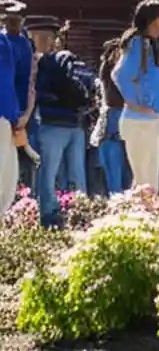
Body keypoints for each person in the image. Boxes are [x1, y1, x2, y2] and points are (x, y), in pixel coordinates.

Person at [30, 17, 91, 225]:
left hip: (51, 125)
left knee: (48, 172)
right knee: (77, 172)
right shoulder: (73, 62)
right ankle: (79, 212)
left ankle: (49, 215)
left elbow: (35, 93)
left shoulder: (41, 64)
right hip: (76, 124)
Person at [112, 0, 159, 191]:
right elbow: (119, 75)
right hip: (139, 120)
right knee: (144, 180)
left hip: (150, 119)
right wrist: (135, 103)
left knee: (149, 179)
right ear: (153, 20)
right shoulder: (138, 44)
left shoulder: (151, 45)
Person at [0, 0, 27, 214]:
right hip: (4, 115)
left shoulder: (11, 43)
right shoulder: (8, 43)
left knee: (8, 174)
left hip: (7, 115)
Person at [94, 38, 132, 194]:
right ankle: (121, 194)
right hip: (121, 113)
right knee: (123, 160)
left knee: (116, 161)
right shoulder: (118, 68)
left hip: (116, 114)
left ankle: (117, 194)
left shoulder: (107, 68)